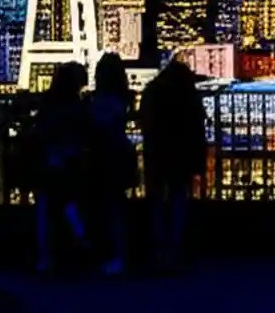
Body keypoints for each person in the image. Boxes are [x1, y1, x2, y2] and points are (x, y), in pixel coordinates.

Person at [140, 61, 207, 272]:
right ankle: (177, 248)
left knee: (157, 201)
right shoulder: (188, 95)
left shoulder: (152, 92)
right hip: (181, 153)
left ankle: (159, 249)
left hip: (157, 152)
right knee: (179, 197)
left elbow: (145, 121)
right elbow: (198, 124)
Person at [31, 62, 90, 273]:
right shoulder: (76, 105)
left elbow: (41, 129)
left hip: (50, 161)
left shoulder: (49, 102)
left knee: (47, 209)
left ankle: (46, 257)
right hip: (69, 160)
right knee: (68, 203)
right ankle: (79, 242)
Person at [87, 53, 137, 276]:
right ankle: (120, 255)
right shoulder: (124, 97)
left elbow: (98, 124)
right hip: (120, 151)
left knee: (105, 207)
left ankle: (111, 255)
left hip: (102, 155)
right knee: (117, 206)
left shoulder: (97, 100)